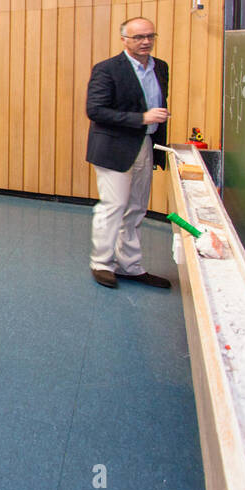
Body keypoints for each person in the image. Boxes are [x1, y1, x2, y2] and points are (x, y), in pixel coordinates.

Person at [86, 17, 172, 289]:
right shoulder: (108, 69)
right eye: (138, 37)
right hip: (114, 148)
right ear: (124, 39)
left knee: (136, 208)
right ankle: (101, 263)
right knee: (113, 207)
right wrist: (142, 118)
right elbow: (96, 110)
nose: (145, 42)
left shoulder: (161, 68)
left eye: (150, 36)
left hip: (145, 145)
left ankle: (130, 266)